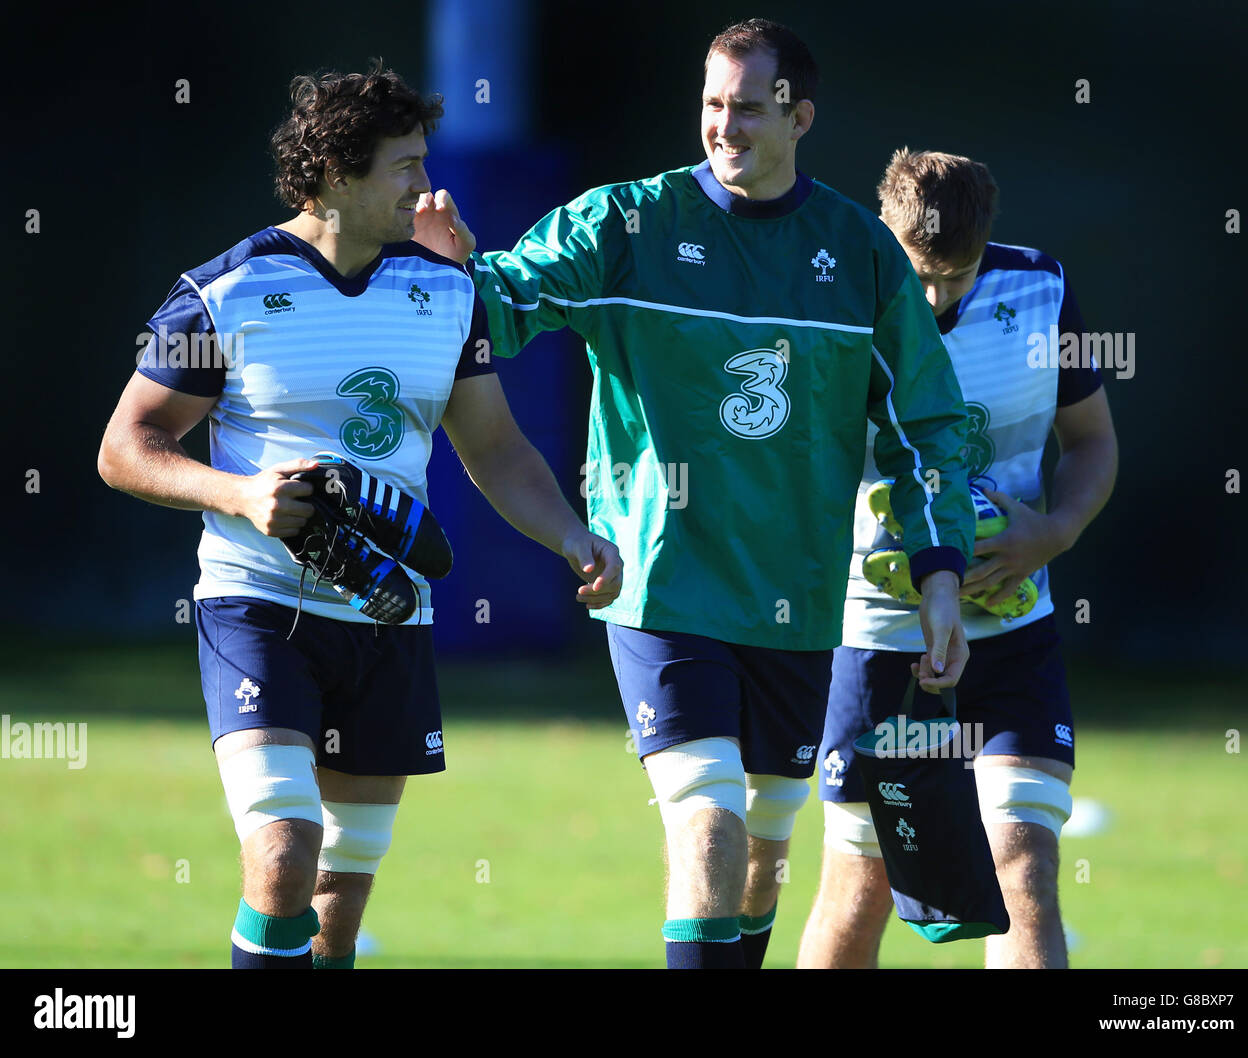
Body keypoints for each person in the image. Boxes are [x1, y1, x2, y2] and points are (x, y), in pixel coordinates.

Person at [412, 19, 974, 970]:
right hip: (661, 586)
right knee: (708, 825)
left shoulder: (862, 255)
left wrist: (943, 573)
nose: (724, 126)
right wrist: (449, 268)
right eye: (712, 105)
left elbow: (926, 425)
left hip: (794, 603)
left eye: (749, 108)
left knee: (761, 854)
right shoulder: (625, 224)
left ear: (799, 116)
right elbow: (502, 305)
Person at [96, 62, 621, 969]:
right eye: (406, 166)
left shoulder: (449, 294)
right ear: (337, 171)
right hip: (257, 608)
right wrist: (239, 495)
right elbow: (125, 448)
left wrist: (572, 536)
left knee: (339, 901)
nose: (427, 185)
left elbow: (495, 447)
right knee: (284, 856)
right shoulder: (219, 293)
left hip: (389, 616)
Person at [797, 149, 1119, 969]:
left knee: (1024, 865)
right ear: (886, 237)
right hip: (877, 639)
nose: (937, 301)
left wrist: (1055, 531)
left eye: (958, 276)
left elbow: (1091, 445)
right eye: (920, 278)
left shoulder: (1040, 291)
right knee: (860, 886)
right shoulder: (835, 303)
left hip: (1011, 632)